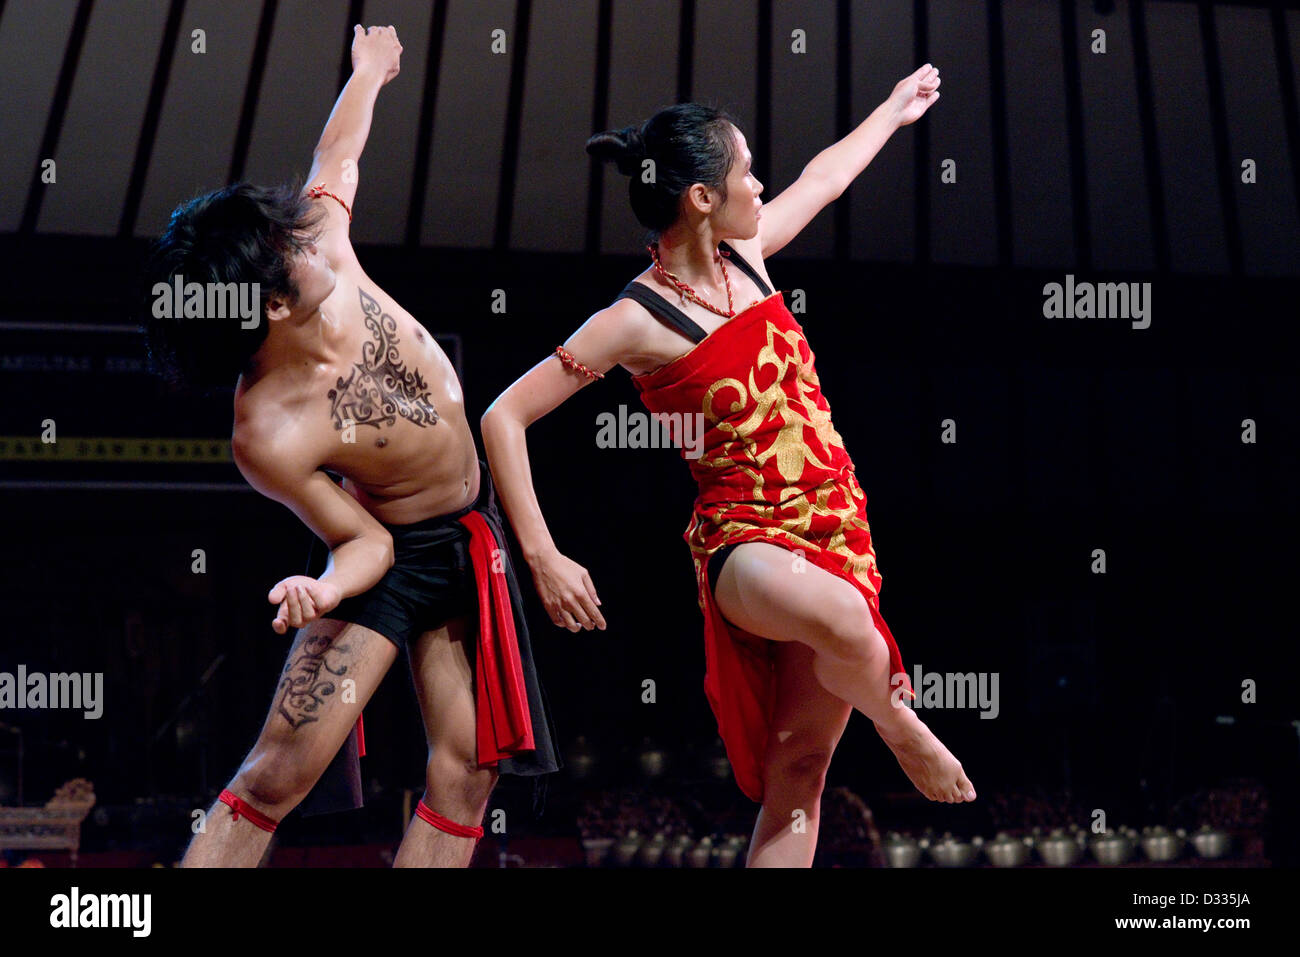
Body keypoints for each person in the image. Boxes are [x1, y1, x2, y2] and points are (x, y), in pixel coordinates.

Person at [481, 64, 972, 868]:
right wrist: (541, 554)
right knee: (850, 622)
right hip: (744, 546)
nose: (761, 182)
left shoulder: (749, 253)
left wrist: (891, 112)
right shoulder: (632, 318)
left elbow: (827, 176)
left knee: (800, 773)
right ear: (701, 197)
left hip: (838, 527)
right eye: (745, 170)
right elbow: (503, 414)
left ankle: (888, 719)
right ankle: (902, 726)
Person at [141, 25, 557, 868]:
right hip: (386, 553)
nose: (309, 233)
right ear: (263, 310)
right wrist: (324, 585)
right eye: (286, 251)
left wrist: (368, 71)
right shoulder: (268, 430)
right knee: (276, 776)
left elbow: (341, 152)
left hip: (468, 535)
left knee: (471, 771)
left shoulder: (318, 241)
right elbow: (361, 539)